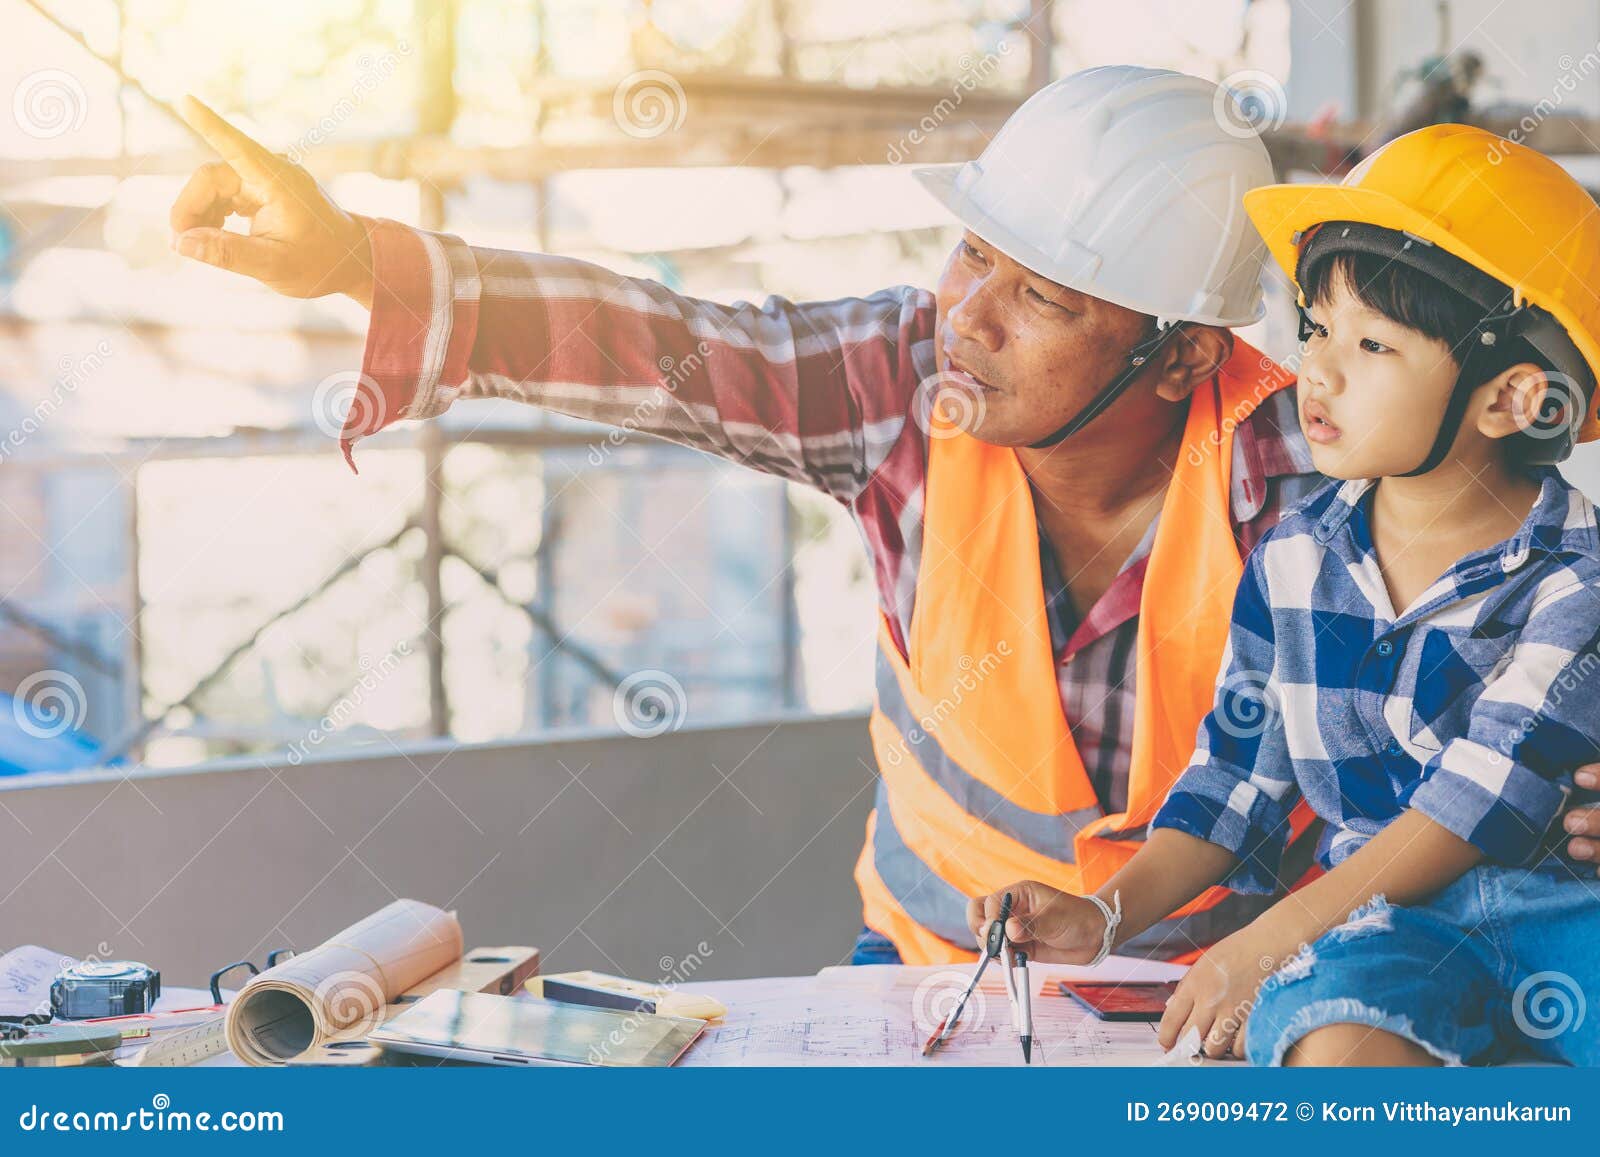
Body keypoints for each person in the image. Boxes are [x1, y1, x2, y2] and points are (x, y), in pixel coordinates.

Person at [167, 66, 1600, 969]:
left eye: (1042, 294)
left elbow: (1535, 602)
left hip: (1232, 980)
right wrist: (355, 260)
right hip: (933, 965)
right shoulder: (904, 386)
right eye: (972, 251)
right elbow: (669, 346)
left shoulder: (1315, 459)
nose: (968, 315)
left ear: (1177, 357)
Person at [969, 123, 1600, 1067]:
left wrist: (1270, 940)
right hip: (1385, 931)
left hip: (1565, 920)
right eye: (1316, 329)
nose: (1319, 370)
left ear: (1512, 398)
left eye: (1372, 344)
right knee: (1331, 1047)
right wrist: (1104, 916)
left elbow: (1476, 801)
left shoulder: (1578, 578)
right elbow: (1232, 786)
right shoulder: (1295, 558)